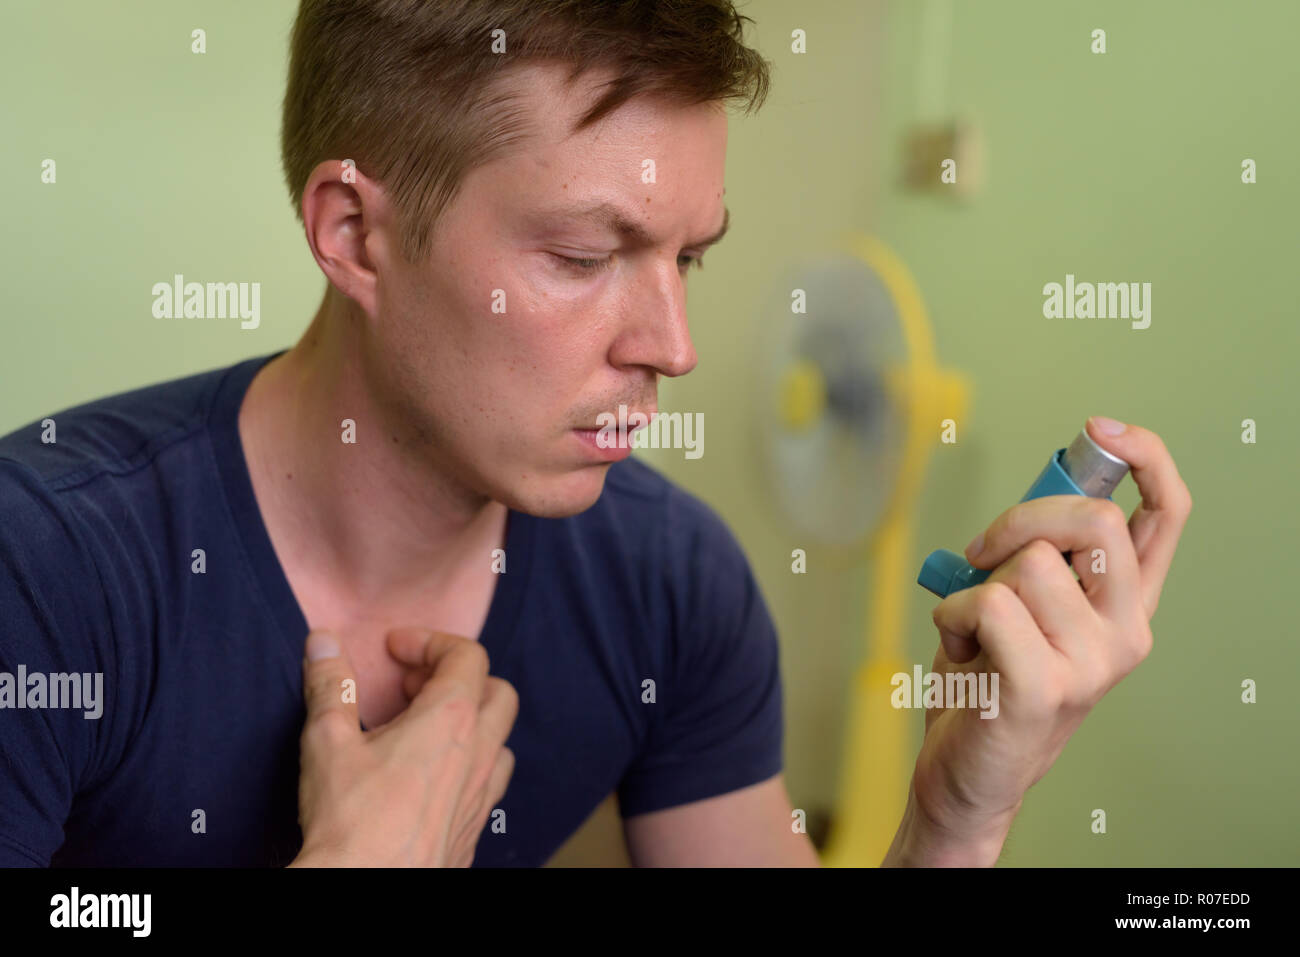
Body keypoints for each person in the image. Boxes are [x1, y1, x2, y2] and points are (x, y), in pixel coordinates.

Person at [0, 0, 1191, 868]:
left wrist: (953, 821)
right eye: (582, 258)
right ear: (355, 233)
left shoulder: (670, 583)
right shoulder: (42, 572)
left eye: (690, 257)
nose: (671, 346)